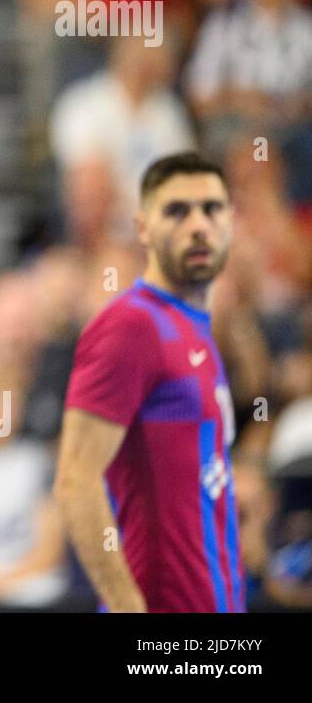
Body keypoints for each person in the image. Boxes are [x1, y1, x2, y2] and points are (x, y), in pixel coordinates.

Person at [54, 151, 245, 612]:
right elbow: (75, 478)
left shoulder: (196, 326)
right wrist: (126, 607)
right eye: (177, 210)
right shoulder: (132, 325)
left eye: (211, 209)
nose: (198, 225)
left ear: (231, 222)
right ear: (142, 227)